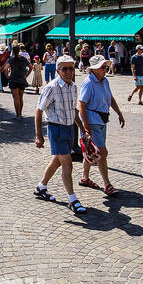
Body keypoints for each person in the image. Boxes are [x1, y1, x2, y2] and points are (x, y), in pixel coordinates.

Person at [31, 54, 86, 215]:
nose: (69, 72)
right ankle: (73, 200)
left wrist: (82, 128)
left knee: (57, 161)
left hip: (69, 129)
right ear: (58, 70)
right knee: (67, 163)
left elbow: (73, 110)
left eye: (71, 68)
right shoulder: (51, 87)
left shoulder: (74, 87)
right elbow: (39, 110)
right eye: (65, 69)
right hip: (56, 129)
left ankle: (41, 187)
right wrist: (39, 135)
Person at [78, 56, 121, 200]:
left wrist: (119, 113)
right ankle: (107, 184)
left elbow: (110, 98)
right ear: (94, 69)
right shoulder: (88, 83)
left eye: (105, 66)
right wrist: (85, 126)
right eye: (102, 67)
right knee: (102, 152)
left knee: (92, 152)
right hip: (92, 122)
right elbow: (81, 105)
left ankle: (84, 177)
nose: (105, 69)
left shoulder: (105, 81)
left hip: (102, 120)